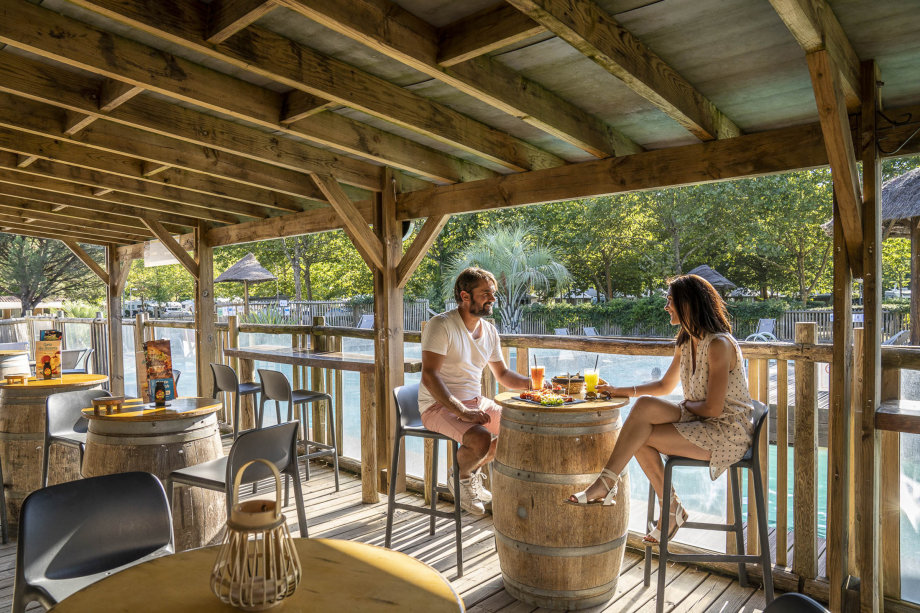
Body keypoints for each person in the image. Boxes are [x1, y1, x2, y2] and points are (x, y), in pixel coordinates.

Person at [566, 274, 754, 545]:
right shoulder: (686, 340)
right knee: (638, 429)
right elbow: (665, 385)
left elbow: (713, 409)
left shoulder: (719, 345)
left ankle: (609, 485)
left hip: (726, 431)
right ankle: (668, 507)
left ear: (687, 304)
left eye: (670, 300)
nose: (666, 306)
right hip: (699, 418)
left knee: (638, 433)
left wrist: (686, 406)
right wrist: (619, 389)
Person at [419, 267, 531, 515]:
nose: (492, 299)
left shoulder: (489, 331)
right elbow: (429, 376)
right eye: (486, 293)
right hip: (438, 406)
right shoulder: (442, 325)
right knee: (480, 437)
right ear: (465, 295)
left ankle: (464, 472)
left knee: (523, 430)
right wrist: (462, 411)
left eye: (493, 294)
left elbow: (502, 375)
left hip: (476, 401)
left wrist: (532, 385)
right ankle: (463, 478)